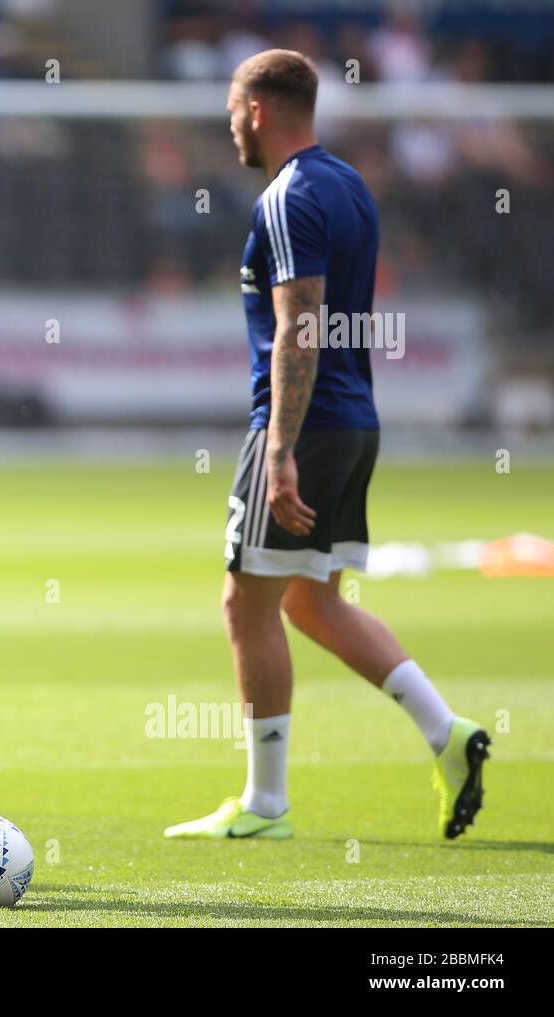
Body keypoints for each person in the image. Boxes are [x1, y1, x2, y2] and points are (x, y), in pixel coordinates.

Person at [165, 50, 489, 842]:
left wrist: (278, 449)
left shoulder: (286, 198)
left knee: (246, 601)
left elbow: (298, 326)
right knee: (312, 599)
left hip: (303, 425)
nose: (231, 128)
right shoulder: (348, 185)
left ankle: (265, 802)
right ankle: (449, 734)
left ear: (255, 112)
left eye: (233, 112)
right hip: (355, 419)